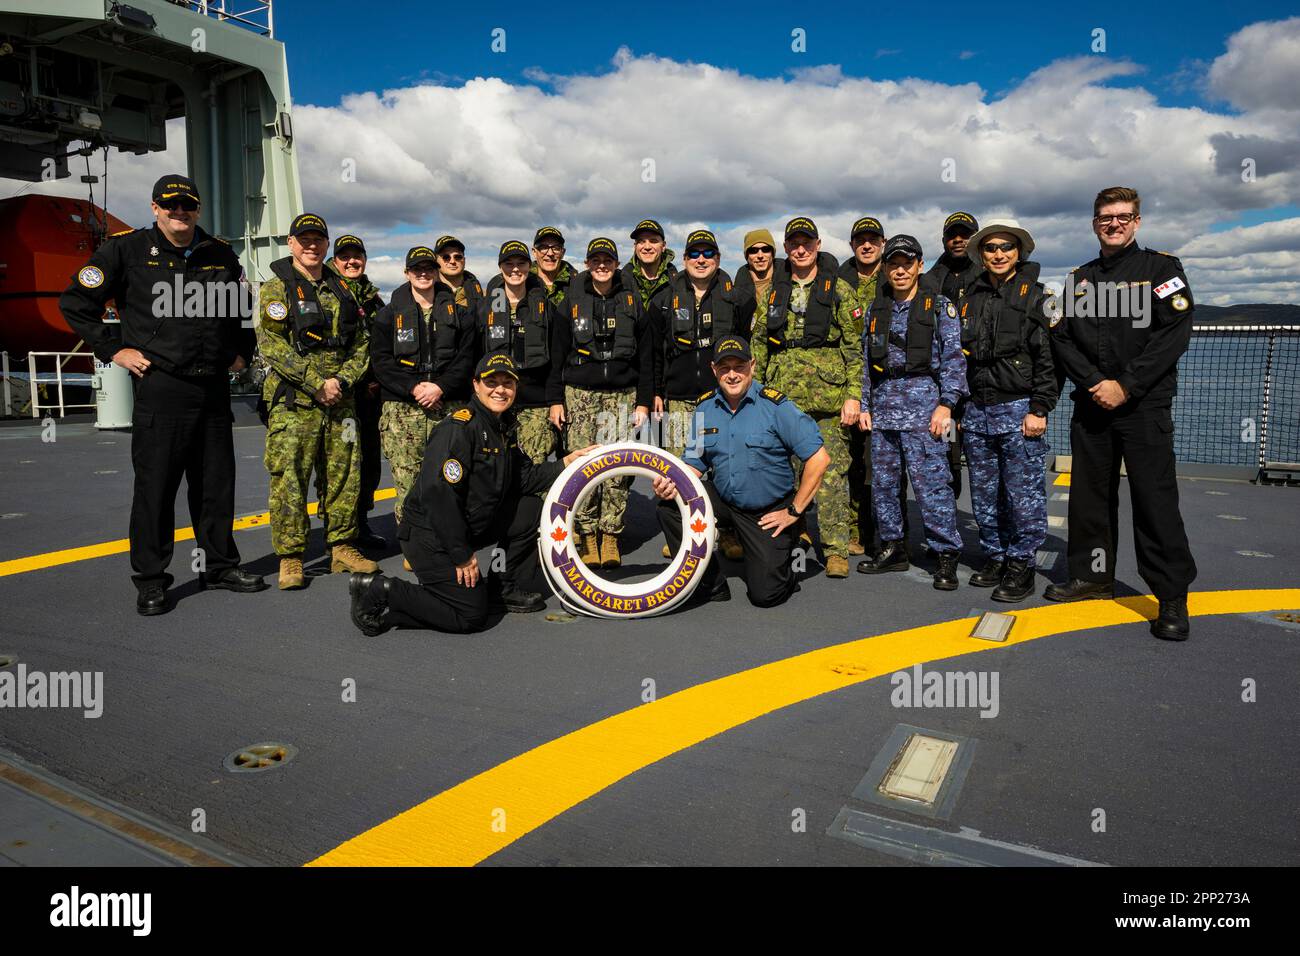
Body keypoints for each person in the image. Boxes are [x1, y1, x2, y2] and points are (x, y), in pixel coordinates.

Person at [59, 173, 266, 614]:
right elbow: (76, 301)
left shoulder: (219, 253)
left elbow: (243, 310)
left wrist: (241, 355)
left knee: (215, 485)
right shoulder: (125, 250)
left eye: (187, 205)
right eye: (170, 205)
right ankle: (152, 578)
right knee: (156, 488)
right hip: (161, 386)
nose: (179, 212)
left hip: (211, 388)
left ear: (197, 209)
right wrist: (114, 349)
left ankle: (220, 566)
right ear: (155, 208)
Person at [348, 353, 598, 636]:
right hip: (430, 535)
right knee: (469, 615)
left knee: (530, 508)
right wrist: (461, 555)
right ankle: (382, 590)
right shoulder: (460, 429)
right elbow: (438, 494)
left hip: (467, 524)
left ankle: (501, 587)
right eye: (491, 382)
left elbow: (524, 478)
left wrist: (566, 462)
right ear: (476, 385)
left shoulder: (502, 426)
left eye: (507, 383)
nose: (500, 390)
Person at [1047, 186, 1197, 641]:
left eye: (1123, 216)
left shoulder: (1162, 270)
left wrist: (1125, 385)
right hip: (1093, 404)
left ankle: (1171, 597)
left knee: (1155, 501)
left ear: (1137, 222)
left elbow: (1174, 334)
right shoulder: (1080, 280)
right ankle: (1093, 576)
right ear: (1094, 223)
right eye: (1105, 217)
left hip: (1143, 405)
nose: (1114, 223)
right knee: (1090, 498)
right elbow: (1062, 337)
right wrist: (1095, 383)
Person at [652, 336, 829, 607]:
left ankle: (793, 545)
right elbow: (694, 464)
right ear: (714, 370)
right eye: (724, 368)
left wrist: (794, 510)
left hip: (767, 511)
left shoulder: (775, 407)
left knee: (766, 595)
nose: (732, 375)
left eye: (739, 366)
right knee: (670, 504)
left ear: (752, 366)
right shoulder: (705, 407)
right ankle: (709, 584)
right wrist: (671, 484)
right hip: (725, 501)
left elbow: (819, 459)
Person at [257, 212, 379, 589]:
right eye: (303, 239)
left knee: (344, 474)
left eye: (317, 240)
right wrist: (316, 383)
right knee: (290, 477)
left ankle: (341, 545)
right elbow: (271, 344)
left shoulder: (341, 288)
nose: (311, 246)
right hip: (296, 402)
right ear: (291, 244)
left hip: (340, 401)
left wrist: (341, 380)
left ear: (326, 245)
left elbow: (361, 343)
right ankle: (291, 556)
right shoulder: (276, 288)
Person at [749, 217, 860, 579]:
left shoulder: (839, 289)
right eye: (794, 243)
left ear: (816, 246)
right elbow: (760, 346)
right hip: (784, 399)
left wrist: (854, 396)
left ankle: (836, 550)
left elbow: (854, 348)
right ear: (787, 248)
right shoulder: (773, 294)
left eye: (806, 243)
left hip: (828, 398)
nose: (800, 249)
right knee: (786, 477)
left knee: (830, 475)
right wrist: (757, 395)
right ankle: (793, 543)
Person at [856, 235, 968, 589]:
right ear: (886, 269)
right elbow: (863, 363)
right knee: (885, 486)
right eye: (893, 264)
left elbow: (954, 360)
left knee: (932, 485)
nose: (900, 270)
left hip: (925, 409)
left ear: (920, 265)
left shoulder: (939, 307)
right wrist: (863, 405)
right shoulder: (876, 310)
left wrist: (946, 405)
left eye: (907, 263)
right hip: (884, 408)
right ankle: (893, 548)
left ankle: (946, 553)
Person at [957, 219, 1059, 602]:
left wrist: (1040, 407)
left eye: (1006, 247)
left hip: (1018, 409)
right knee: (984, 493)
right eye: (990, 248)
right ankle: (996, 555)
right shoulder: (969, 298)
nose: (998, 254)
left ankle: (1022, 564)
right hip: (977, 410)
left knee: (1023, 493)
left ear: (1019, 253)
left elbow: (1050, 359)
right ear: (981, 255)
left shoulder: (1039, 297)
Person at [547, 237, 655, 570]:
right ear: (588, 264)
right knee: (583, 465)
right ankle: (588, 534)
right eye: (596, 260)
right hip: (579, 394)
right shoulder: (571, 301)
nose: (602, 265)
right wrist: (555, 399)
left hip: (621, 395)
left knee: (617, 471)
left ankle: (611, 536)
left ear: (616, 263)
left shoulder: (633, 299)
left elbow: (648, 355)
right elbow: (557, 353)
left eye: (608, 260)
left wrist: (643, 402)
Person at [370, 246, 476, 531]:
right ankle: (412, 542)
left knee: (450, 475)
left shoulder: (461, 315)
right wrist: (414, 388)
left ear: (437, 271)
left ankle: (448, 537)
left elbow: (466, 359)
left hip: (448, 406)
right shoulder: (388, 316)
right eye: (417, 269)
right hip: (404, 409)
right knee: (408, 479)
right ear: (407, 274)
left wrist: (440, 387)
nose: (424, 274)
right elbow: (381, 363)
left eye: (429, 268)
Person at [837, 216, 894, 556]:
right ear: (852, 245)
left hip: (887, 386)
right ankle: (854, 530)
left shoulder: (896, 277)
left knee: (884, 466)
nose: (867, 245)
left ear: (882, 243)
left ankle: (887, 535)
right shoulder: (838, 279)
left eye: (873, 239)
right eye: (861, 240)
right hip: (850, 383)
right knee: (851, 462)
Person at [328, 234, 386, 550]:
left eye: (357, 256)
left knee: (369, 464)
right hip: (338, 396)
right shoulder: (326, 291)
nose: (352, 261)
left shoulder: (372, 299)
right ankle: (339, 533)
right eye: (345, 256)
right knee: (341, 466)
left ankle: (360, 524)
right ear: (335, 260)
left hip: (369, 397)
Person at [480, 240, 559, 464]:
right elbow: (474, 355)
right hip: (496, 401)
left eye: (521, 263)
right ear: (500, 267)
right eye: (509, 263)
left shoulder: (545, 307)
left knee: (533, 465)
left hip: (535, 403)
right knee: (494, 467)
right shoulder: (484, 308)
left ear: (529, 266)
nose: (515, 269)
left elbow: (557, 358)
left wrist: (554, 399)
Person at [927, 211, 981, 502]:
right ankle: (947, 529)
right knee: (947, 459)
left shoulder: (987, 274)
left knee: (984, 465)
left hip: (980, 390)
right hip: (945, 394)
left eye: (965, 234)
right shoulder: (931, 279)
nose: (958, 239)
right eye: (952, 235)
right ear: (944, 239)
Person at [622, 218, 677, 319]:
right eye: (641, 241)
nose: (647, 247)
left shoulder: (676, 282)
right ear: (635, 246)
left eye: (653, 241)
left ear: (663, 246)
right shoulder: (621, 281)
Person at [531, 226, 579, 308]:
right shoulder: (522, 281)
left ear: (563, 252)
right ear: (534, 252)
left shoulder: (577, 283)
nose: (550, 253)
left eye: (556, 248)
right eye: (544, 247)